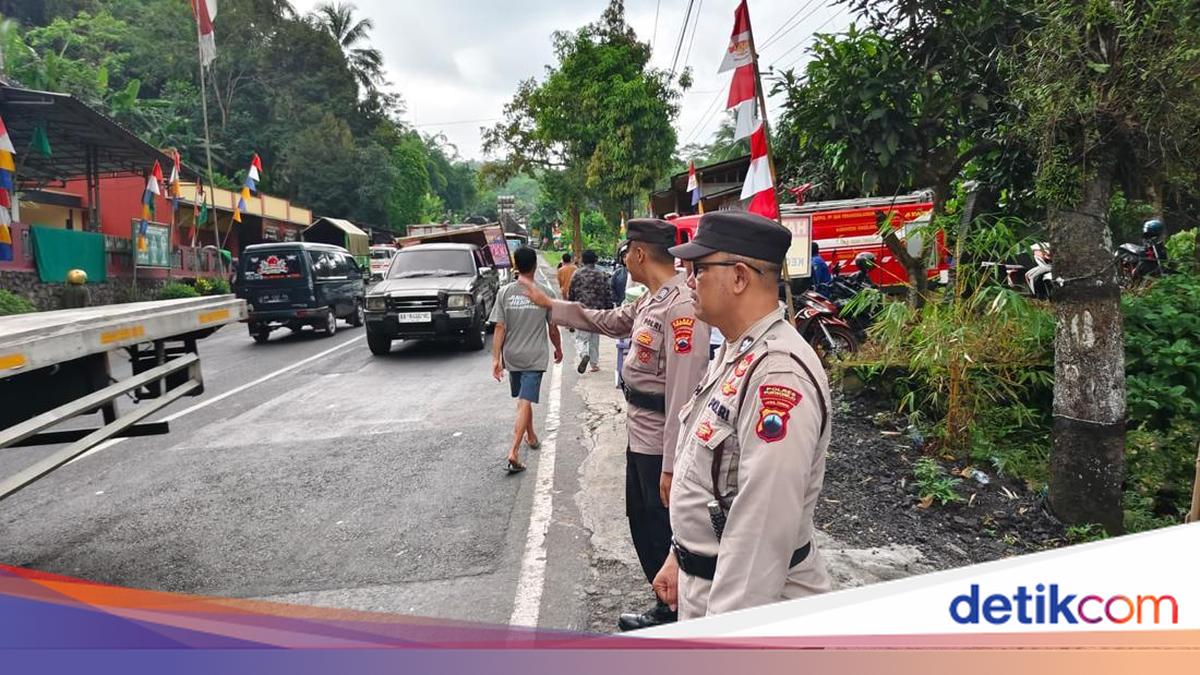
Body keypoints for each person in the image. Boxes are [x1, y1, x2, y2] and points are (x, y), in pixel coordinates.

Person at [519, 219, 711, 631]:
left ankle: (679, 612)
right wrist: (550, 307)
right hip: (640, 431)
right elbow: (608, 320)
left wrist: (674, 462)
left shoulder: (680, 307)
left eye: (627, 250)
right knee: (642, 522)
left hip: (661, 441)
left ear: (639, 253)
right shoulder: (650, 300)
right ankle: (665, 604)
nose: (623, 257)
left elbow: (684, 391)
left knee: (664, 530)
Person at [652, 210, 833, 620]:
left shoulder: (778, 376)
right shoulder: (736, 352)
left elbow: (762, 530)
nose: (688, 281)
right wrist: (680, 555)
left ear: (738, 277)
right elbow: (711, 481)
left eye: (698, 268)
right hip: (707, 586)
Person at [490, 247, 563, 475]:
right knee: (524, 401)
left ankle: (531, 436)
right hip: (534, 356)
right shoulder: (542, 294)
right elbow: (552, 328)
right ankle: (513, 451)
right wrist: (558, 348)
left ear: (515, 265)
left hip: (512, 356)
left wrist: (496, 358)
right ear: (534, 266)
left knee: (524, 399)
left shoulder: (504, 292)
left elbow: (500, 327)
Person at [567, 250, 613, 373]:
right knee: (594, 338)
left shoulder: (577, 274)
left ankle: (583, 354)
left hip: (581, 311)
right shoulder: (601, 275)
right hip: (597, 312)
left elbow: (571, 293)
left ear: (582, 260)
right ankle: (594, 364)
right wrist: (609, 311)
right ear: (595, 260)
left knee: (581, 338)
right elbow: (608, 294)